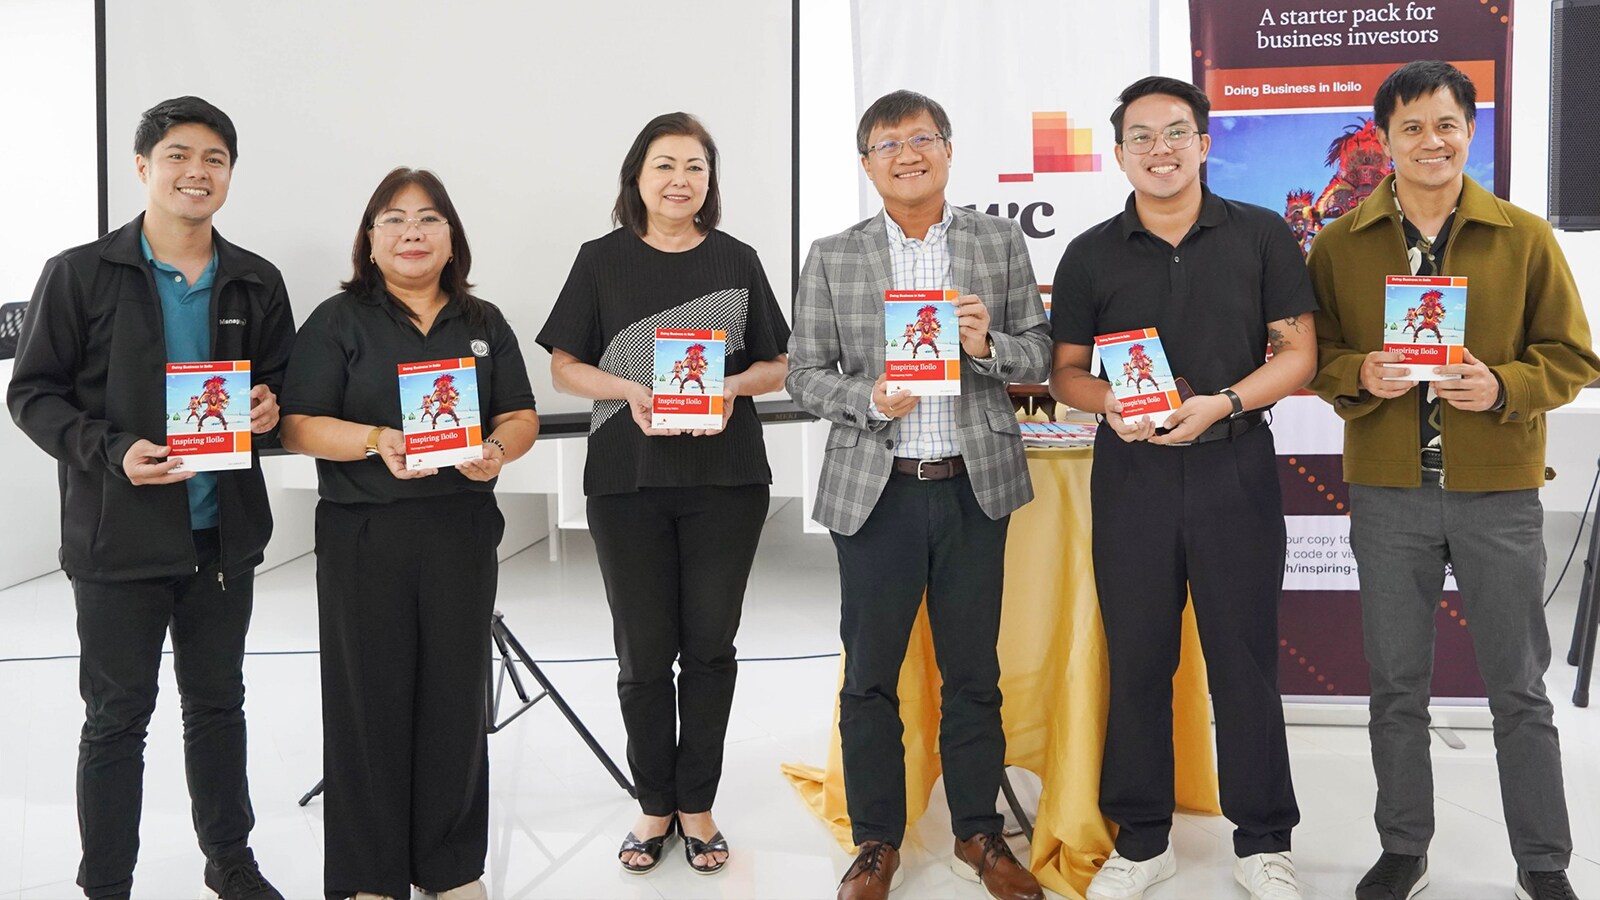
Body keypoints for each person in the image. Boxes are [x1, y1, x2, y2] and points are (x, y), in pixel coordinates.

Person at [1306, 60, 1600, 900]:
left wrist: (1504, 385)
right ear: (1385, 138)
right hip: (1388, 495)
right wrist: (1360, 372)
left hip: (1497, 494)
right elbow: (1314, 355)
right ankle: (1404, 847)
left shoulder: (1524, 236)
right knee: (1395, 687)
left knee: (1519, 689)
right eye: (1412, 127)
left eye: (1446, 124)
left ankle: (1543, 862)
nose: (1430, 141)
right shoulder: (1340, 243)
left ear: (1471, 131)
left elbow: (1573, 357)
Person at [6, 96, 293, 900]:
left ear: (229, 174)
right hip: (116, 538)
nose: (197, 172)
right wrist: (111, 451)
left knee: (218, 706)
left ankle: (230, 862)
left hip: (221, 539)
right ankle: (106, 883)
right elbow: (32, 394)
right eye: (178, 156)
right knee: (116, 720)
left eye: (214, 159)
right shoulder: (79, 273)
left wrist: (268, 406)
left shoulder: (255, 279)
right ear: (143, 167)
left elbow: (282, 386)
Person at [1048, 76, 1316, 900]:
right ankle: (1141, 838)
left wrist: (1224, 403)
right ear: (1119, 152)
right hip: (1133, 473)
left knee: (1244, 660)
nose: (1158, 150)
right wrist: (1112, 403)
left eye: (1175, 133)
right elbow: (1065, 374)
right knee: (1138, 659)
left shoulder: (1262, 235)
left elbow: (1298, 355)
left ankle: (1263, 841)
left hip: (1235, 465)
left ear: (1203, 143)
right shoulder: (1090, 253)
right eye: (1141, 136)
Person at [787, 89, 1051, 900]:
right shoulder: (834, 255)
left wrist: (987, 343)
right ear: (867, 164)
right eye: (888, 144)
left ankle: (978, 832)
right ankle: (876, 840)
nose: (908, 154)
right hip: (878, 495)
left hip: (973, 487)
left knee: (973, 672)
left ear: (948, 149)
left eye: (922, 138)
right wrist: (869, 398)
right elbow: (804, 374)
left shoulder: (997, 241)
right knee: (870, 675)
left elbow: (1039, 353)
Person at [535, 112, 790, 877]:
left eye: (695, 167)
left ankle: (697, 804)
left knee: (710, 648)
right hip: (627, 480)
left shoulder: (737, 260)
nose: (681, 180)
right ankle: (653, 803)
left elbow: (777, 364)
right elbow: (563, 368)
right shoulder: (601, 260)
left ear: (710, 181)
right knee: (644, 653)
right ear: (637, 178)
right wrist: (631, 390)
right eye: (665, 165)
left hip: (726, 481)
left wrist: (728, 388)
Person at [278, 167, 539, 900]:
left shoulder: (484, 322)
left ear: (452, 238)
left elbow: (519, 414)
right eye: (392, 219)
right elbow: (298, 424)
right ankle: (372, 875)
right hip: (365, 534)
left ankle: (451, 867)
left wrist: (498, 449)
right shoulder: (338, 320)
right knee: (368, 702)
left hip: (461, 529)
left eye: (428, 219)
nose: (411, 232)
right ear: (370, 240)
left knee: (456, 699)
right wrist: (374, 440)